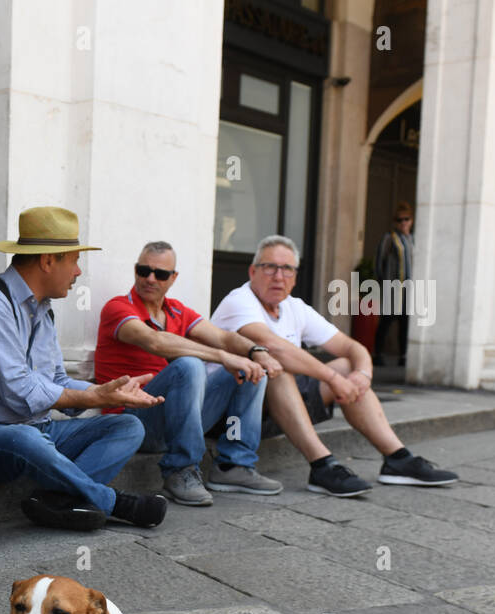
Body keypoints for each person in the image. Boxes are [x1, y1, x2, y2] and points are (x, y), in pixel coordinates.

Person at [0, 206, 168, 531]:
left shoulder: (43, 310)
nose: (78, 272)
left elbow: (56, 381)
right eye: (74, 260)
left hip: (39, 430)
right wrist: (92, 399)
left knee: (128, 426)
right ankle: (113, 502)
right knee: (26, 438)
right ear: (48, 261)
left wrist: (103, 394)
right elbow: (19, 394)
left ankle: (56, 501)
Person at [211, 235, 457, 497]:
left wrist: (363, 373)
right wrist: (331, 377)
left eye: (287, 269)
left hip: (274, 406)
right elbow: (271, 346)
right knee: (276, 366)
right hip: (228, 412)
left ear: (295, 277)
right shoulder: (239, 300)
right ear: (253, 271)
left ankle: (398, 458)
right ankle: (322, 465)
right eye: (270, 267)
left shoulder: (294, 307)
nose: (278, 276)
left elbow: (352, 348)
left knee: (347, 366)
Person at [95, 240, 284, 506]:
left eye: (160, 274)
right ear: (135, 270)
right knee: (189, 365)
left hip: (171, 415)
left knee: (250, 370)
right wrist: (221, 357)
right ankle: (180, 470)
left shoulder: (176, 310)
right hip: (133, 421)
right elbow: (155, 341)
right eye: (143, 270)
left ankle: (234, 466)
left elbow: (225, 338)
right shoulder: (118, 308)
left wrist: (256, 352)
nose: (150, 278)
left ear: (173, 278)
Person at [373, 200, 414, 365]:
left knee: (405, 322)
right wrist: (382, 283)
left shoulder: (413, 239)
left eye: (406, 219)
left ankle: (403, 355)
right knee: (387, 320)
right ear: (395, 222)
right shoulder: (390, 238)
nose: (403, 223)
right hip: (393, 286)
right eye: (400, 219)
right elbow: (379, 261)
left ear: (411, 220)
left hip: (409, 288)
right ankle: (378, 353)